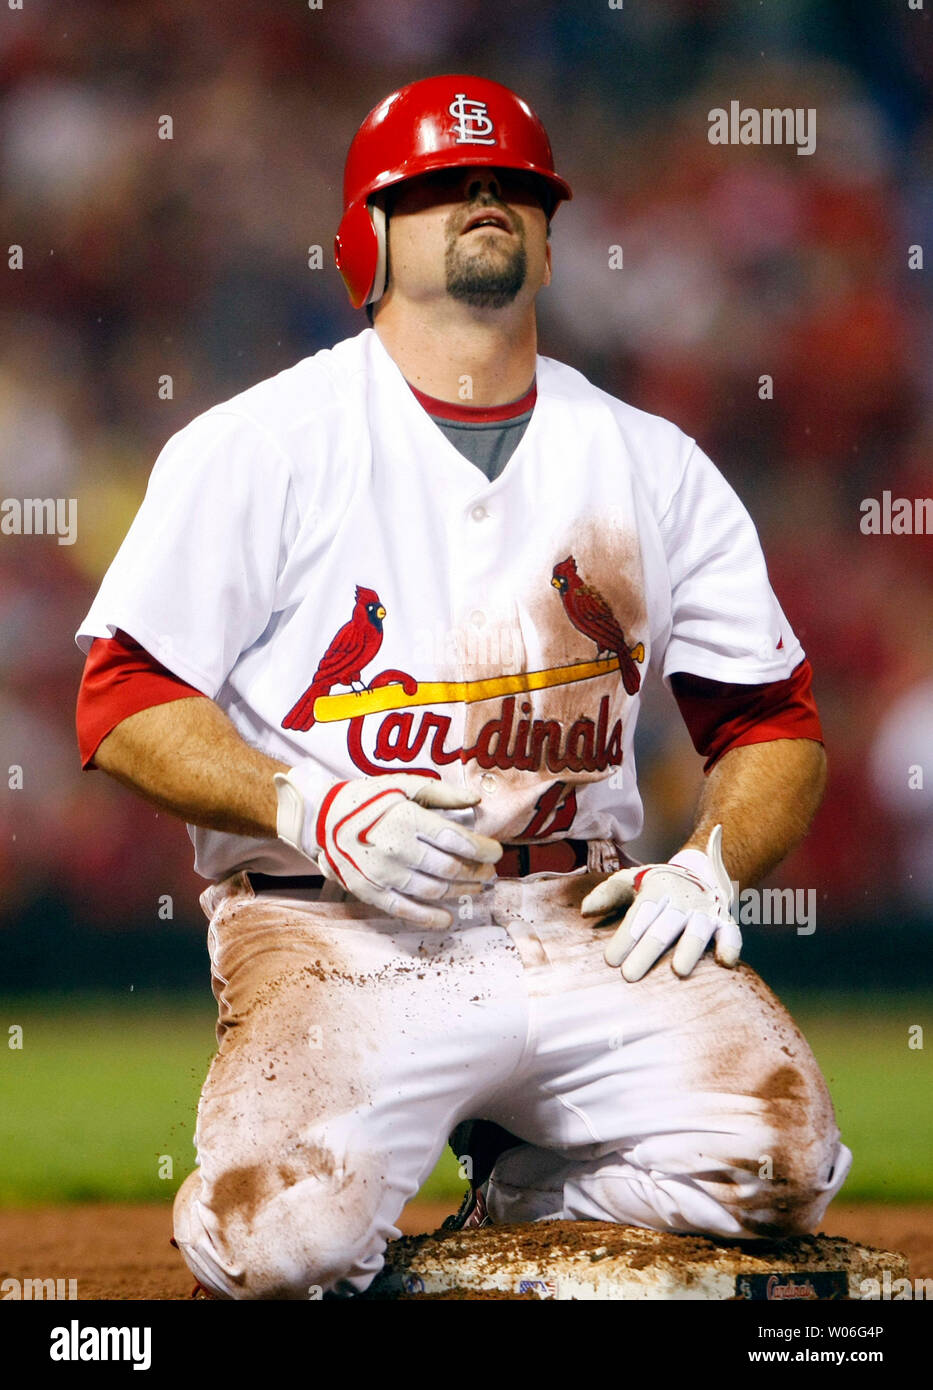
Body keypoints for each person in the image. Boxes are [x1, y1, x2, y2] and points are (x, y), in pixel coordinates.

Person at [75, 75, 851, 1300]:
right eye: (440, 185)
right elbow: (120, 699)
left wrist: (710, 865)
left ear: (547, 232)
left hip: (581, 911)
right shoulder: (260, 442)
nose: (483, 197)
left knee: (777, 1163)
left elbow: (773, 724)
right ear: (367, 237)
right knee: (286, 1248)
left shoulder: (651, 460)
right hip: (331, 922)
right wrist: (305, 806)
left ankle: (511, 1212)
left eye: (512, 186)